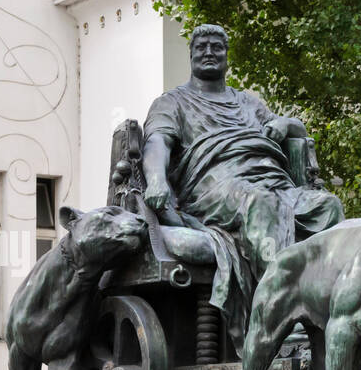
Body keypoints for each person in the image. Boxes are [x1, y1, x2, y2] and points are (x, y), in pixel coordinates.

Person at [140, 23, 344, 341]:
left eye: (216, 47)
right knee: (262, 206)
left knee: (327, 207)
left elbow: (295, 128)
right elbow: (156, 145)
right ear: (191, 54)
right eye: (201, 46)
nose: (209, 52)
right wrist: (156, 180)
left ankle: (332, 314)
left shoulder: (248, 103)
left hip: (271, 181)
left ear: (226, 56)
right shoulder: (172, 103)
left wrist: (284, 124)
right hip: (214, 188)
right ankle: (280, 318)